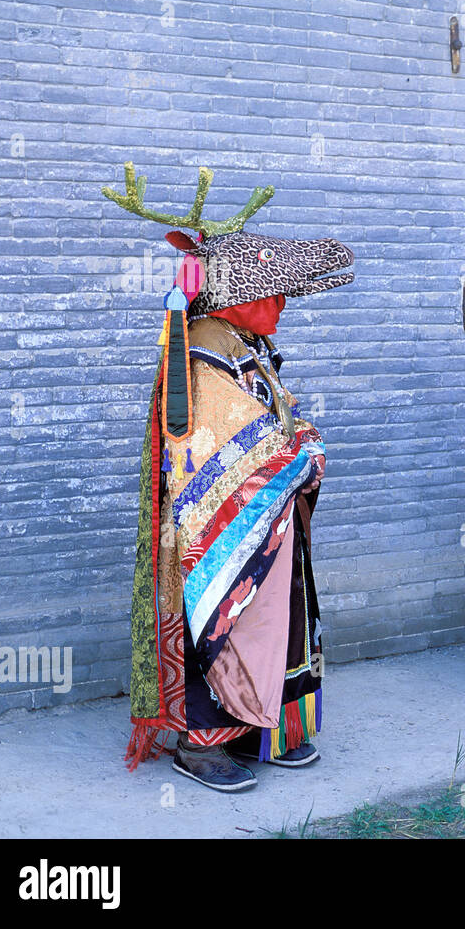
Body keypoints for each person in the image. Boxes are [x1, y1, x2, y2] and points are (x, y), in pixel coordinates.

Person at [104, 164, 353, 790]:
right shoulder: (200, 353)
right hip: (212, 525)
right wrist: (297, 453)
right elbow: (219, 445)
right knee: (222, 610)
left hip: (267, 515)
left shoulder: (244, 346)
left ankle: (256, 727)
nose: (282, 302)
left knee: (272, 616)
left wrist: (295, 448)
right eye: (268, 290)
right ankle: (205, 737)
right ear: (231, 296)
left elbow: (273, 418)